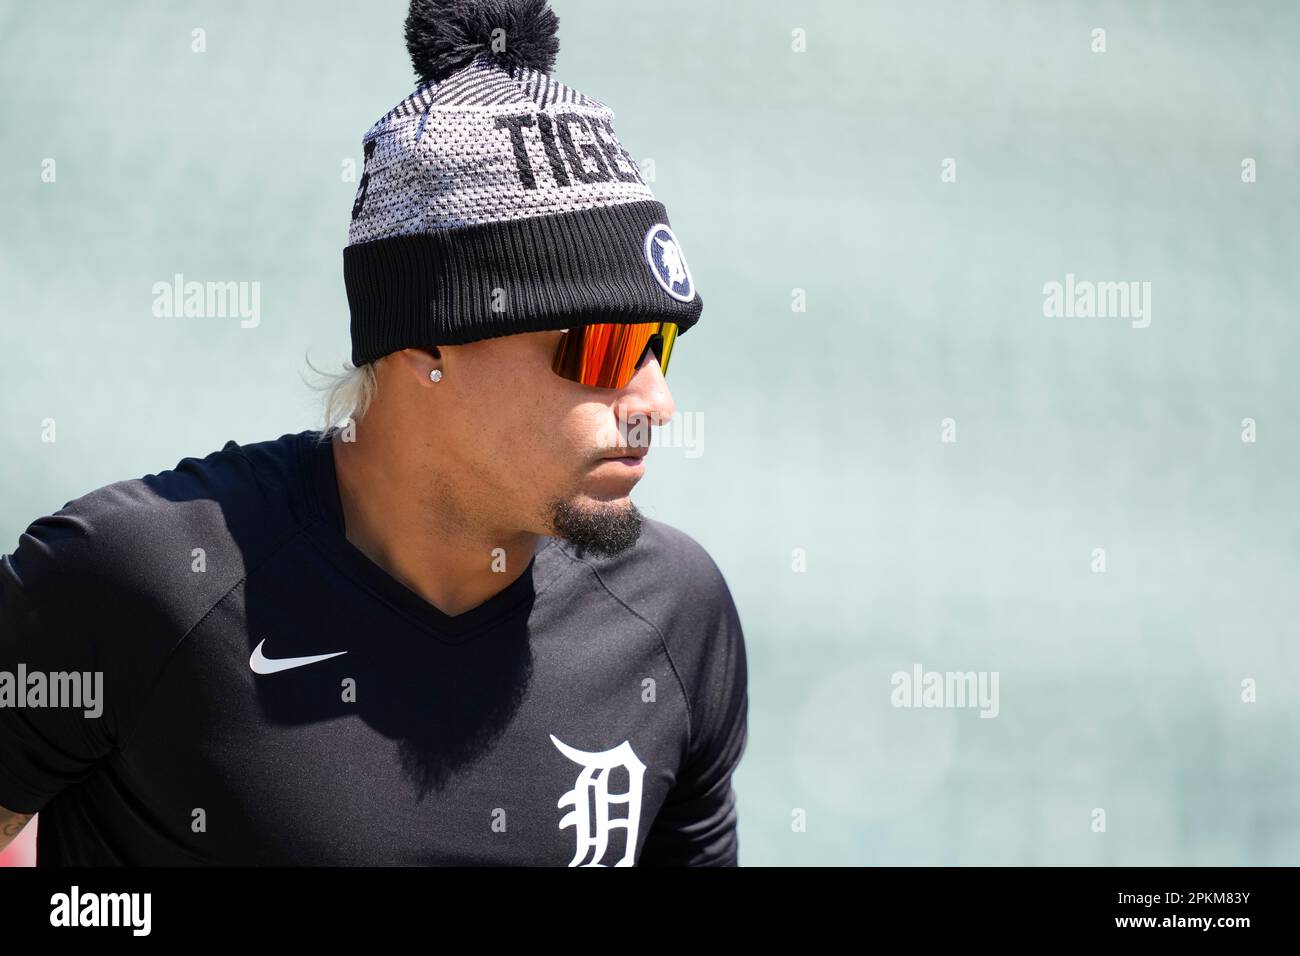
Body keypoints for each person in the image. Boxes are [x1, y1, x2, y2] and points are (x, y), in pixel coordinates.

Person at [0, 0, 748, 866]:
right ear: (426, 337)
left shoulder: (675, 617)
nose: (654, 402)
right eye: (609, 344)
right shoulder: (142, 584)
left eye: (661, 345)